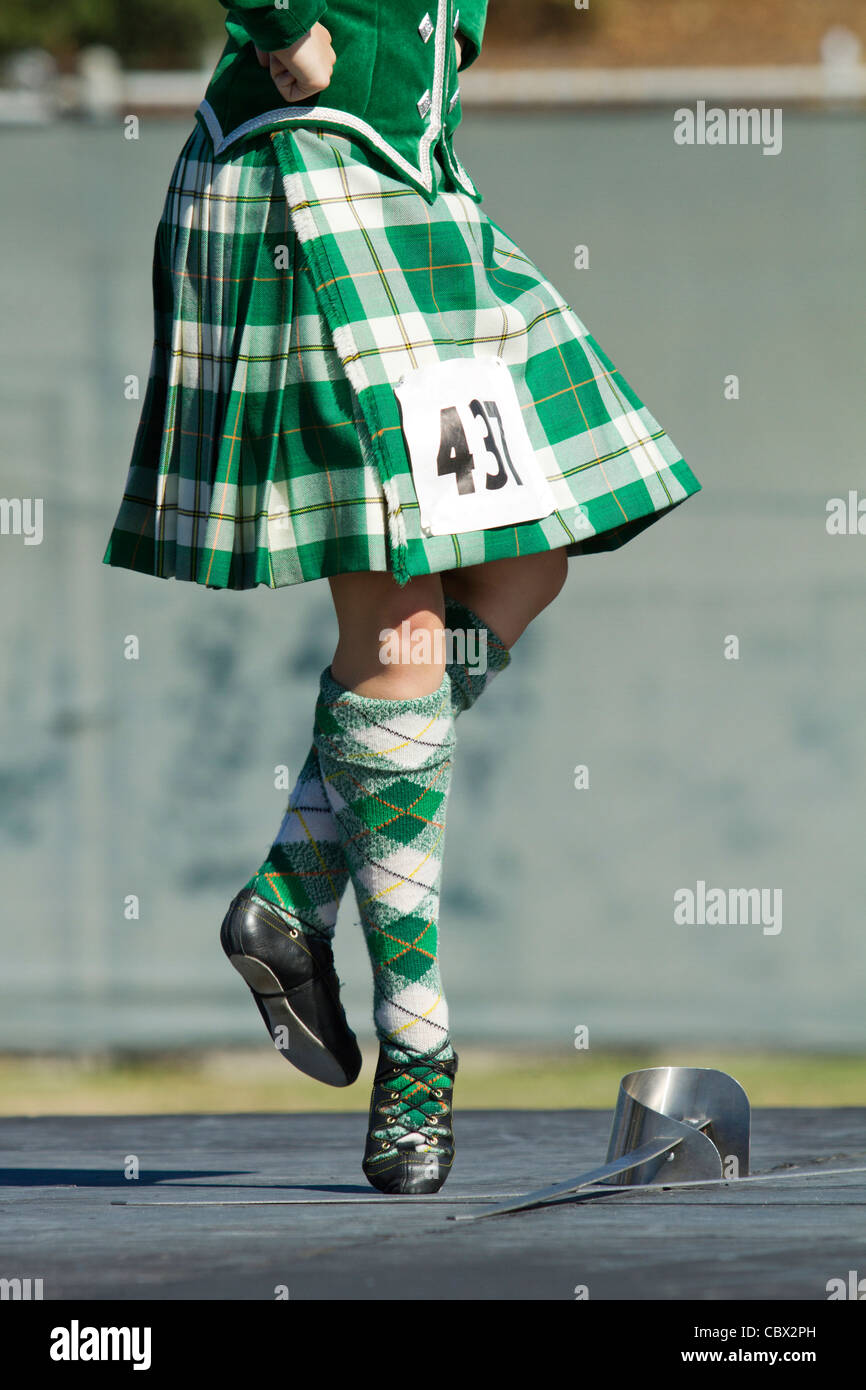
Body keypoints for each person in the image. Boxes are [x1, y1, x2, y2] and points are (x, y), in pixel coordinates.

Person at [103, 1, 701, 1195]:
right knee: (402, 636)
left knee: (527, 560)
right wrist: (281, 26)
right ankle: (417, 1052)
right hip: (305, 195)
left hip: (413, 192)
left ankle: (291, 888)